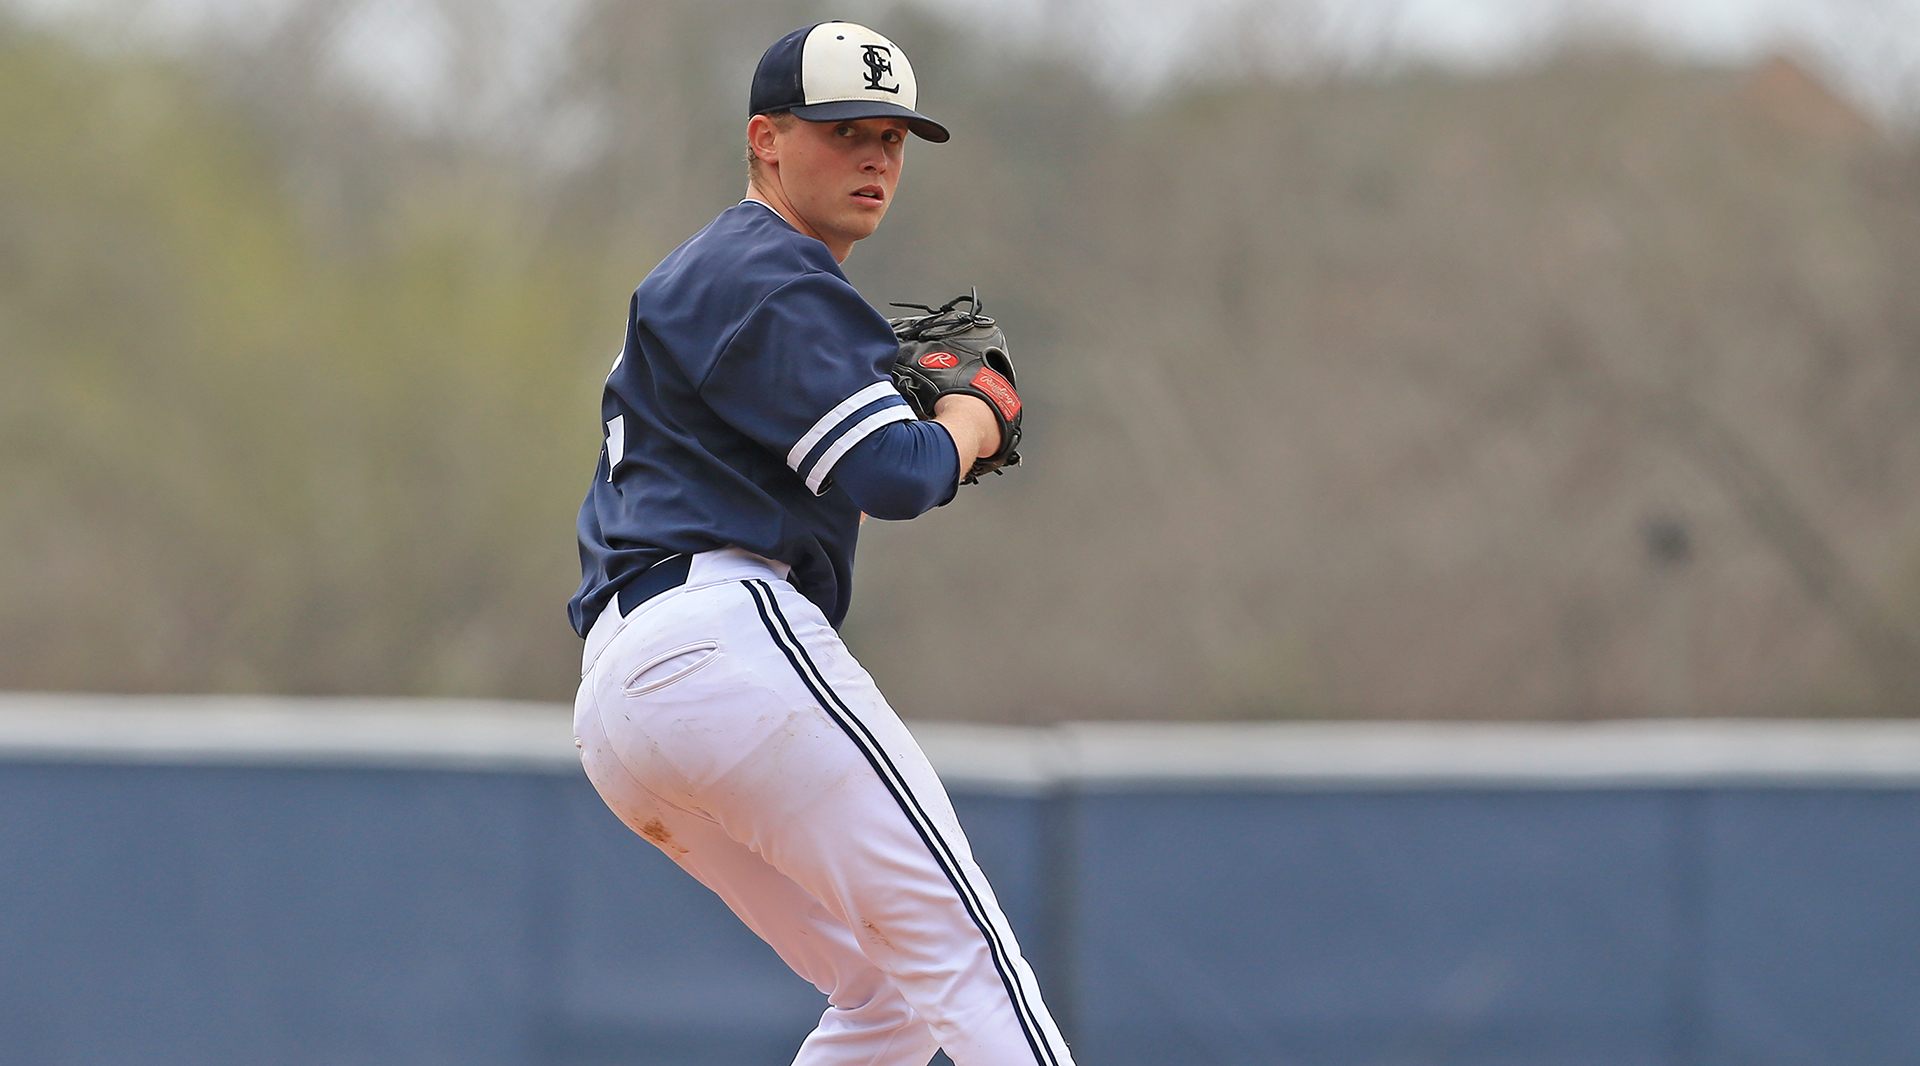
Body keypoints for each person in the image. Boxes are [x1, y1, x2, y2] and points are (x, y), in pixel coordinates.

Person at [567, 22, 1076, 1066]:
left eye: (893, 137)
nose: (877, 158)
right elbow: (896, 476)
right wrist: (975, 411)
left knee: (882, 991)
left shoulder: (709, 274)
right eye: (846, 130)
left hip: (625, 700)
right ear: (766, 138)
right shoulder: (774, 269)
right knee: (963, 949)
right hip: (722, 642)